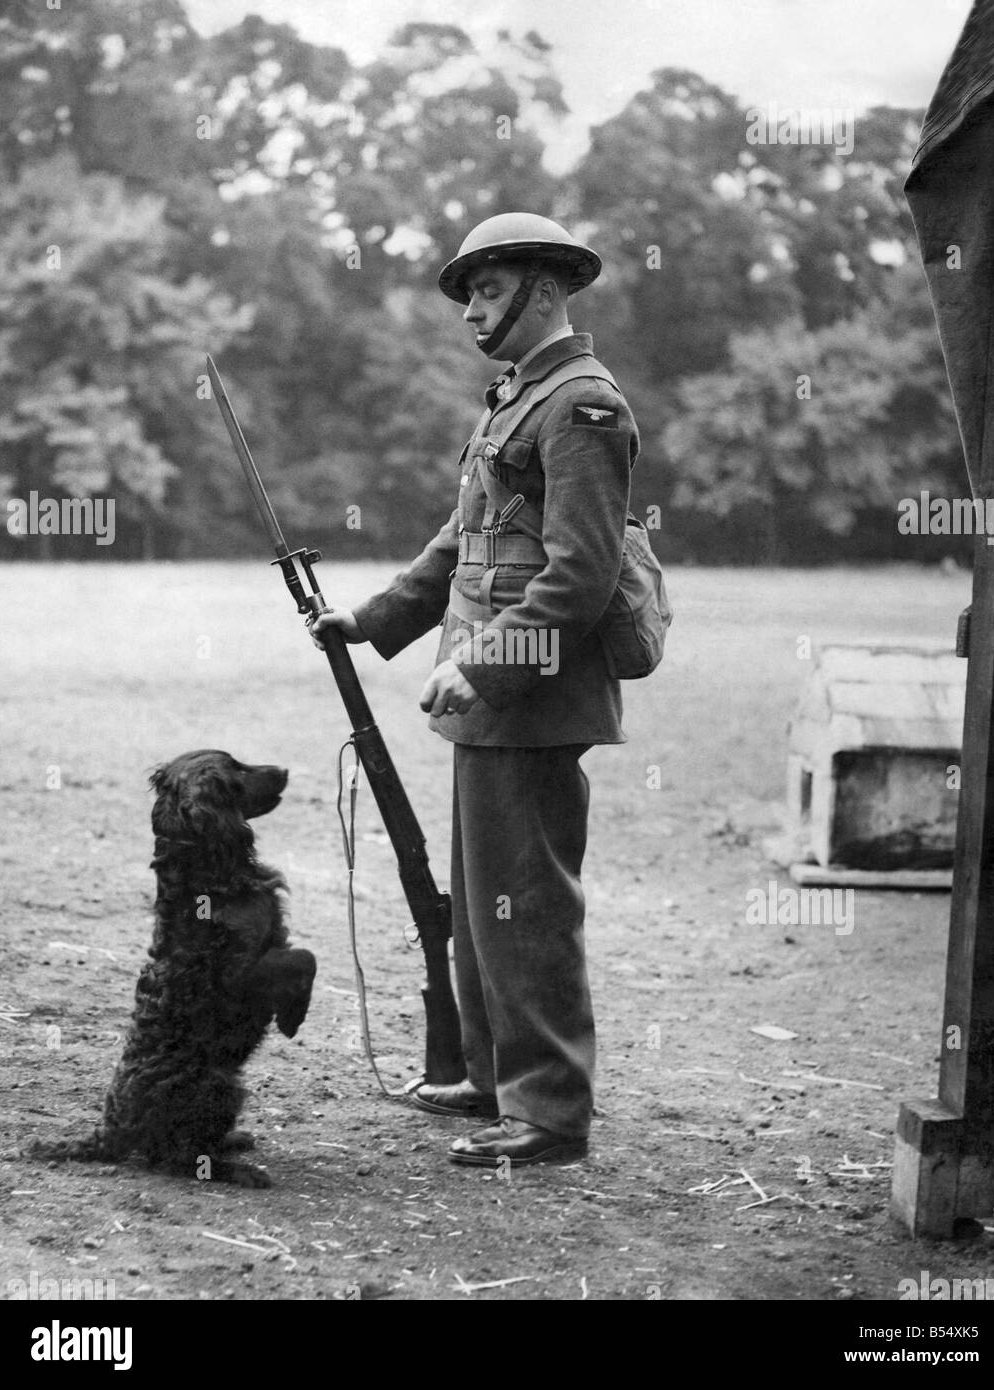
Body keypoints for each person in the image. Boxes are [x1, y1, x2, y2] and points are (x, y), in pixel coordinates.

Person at [311, 212, 639, 1166]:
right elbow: (462, 545)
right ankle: (496, 1080)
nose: (471, 314)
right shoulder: (510, 400)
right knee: (486, 897)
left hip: (534, 696)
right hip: (489, 698)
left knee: (527, 901)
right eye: (469, 296)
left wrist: (482, 662)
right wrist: (371, 623)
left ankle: (549, 1112)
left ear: (545, 289)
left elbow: (579, 575)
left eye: (488, 291)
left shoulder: (584, 407)